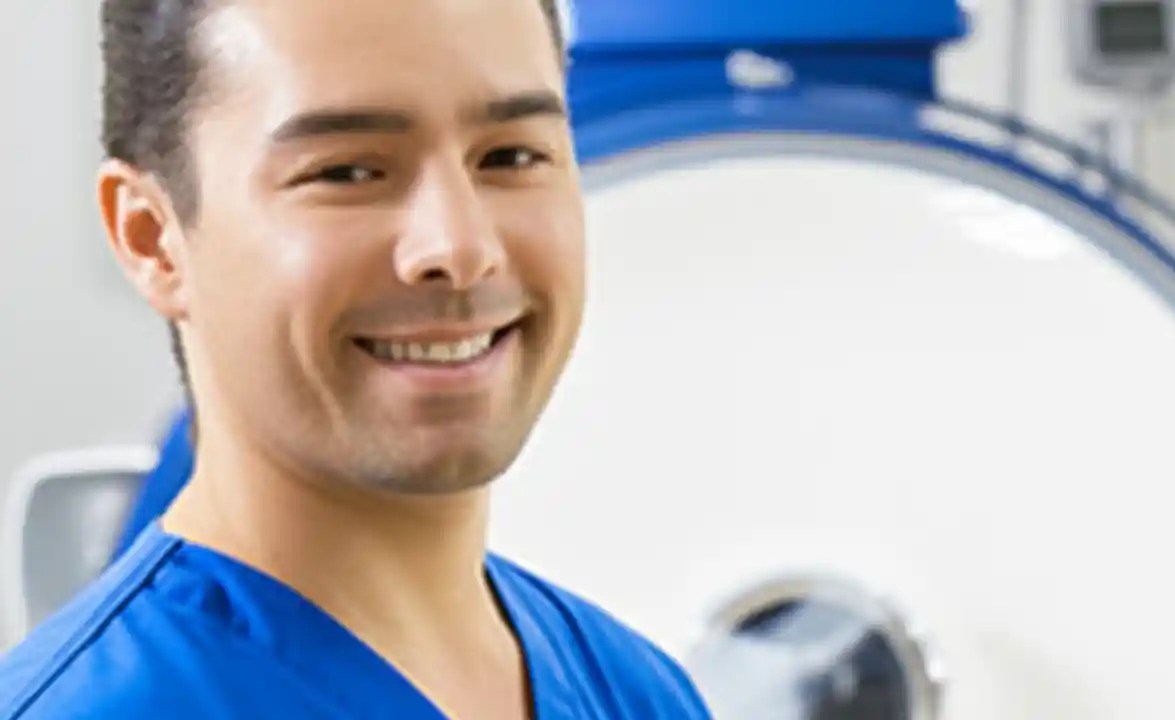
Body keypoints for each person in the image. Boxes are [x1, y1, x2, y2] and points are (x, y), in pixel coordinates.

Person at [0, 1, 712, 718]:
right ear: (152, 238)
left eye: (511, 157)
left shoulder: (635, 693)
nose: (460, 247)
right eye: (347, 172)